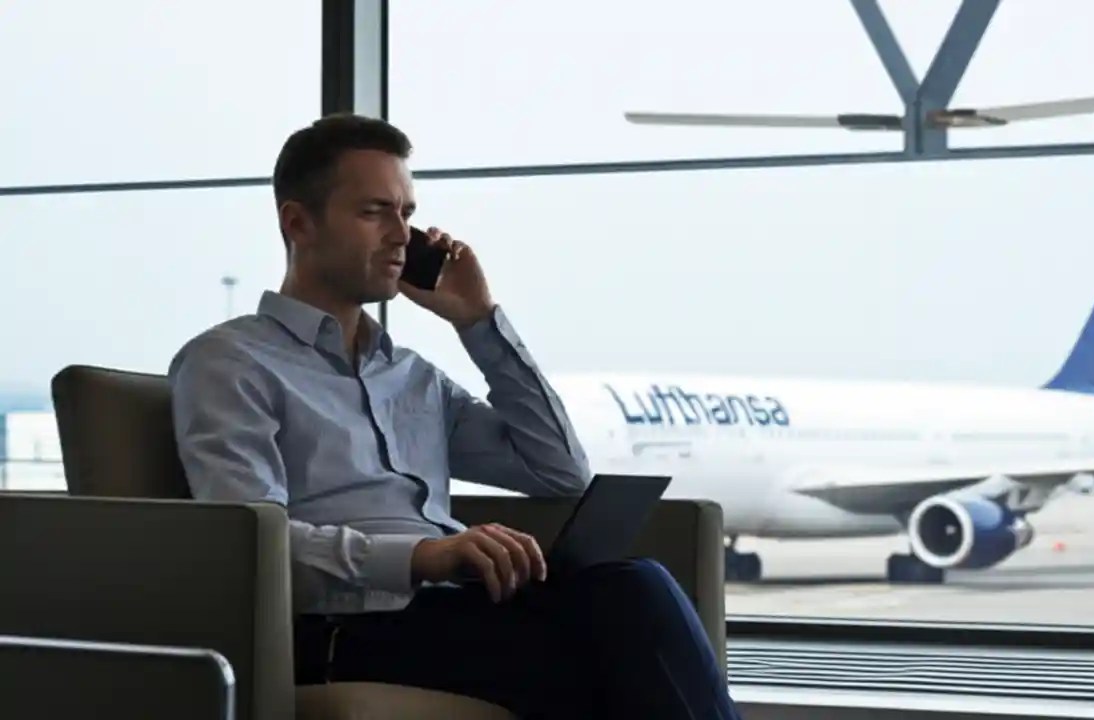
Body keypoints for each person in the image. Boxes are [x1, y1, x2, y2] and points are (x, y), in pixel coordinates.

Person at [167, 113, 742, 720]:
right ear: (298, 222)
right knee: (626, 635)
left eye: (407, 213)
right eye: (374, 212)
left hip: (451, 613)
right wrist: (423, 556)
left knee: (633, 589)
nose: (401, 236)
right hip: (343, 630)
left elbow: (557, 471)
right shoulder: (229, 363)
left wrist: (478, 319)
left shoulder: (413, 376)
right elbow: (251, 544)